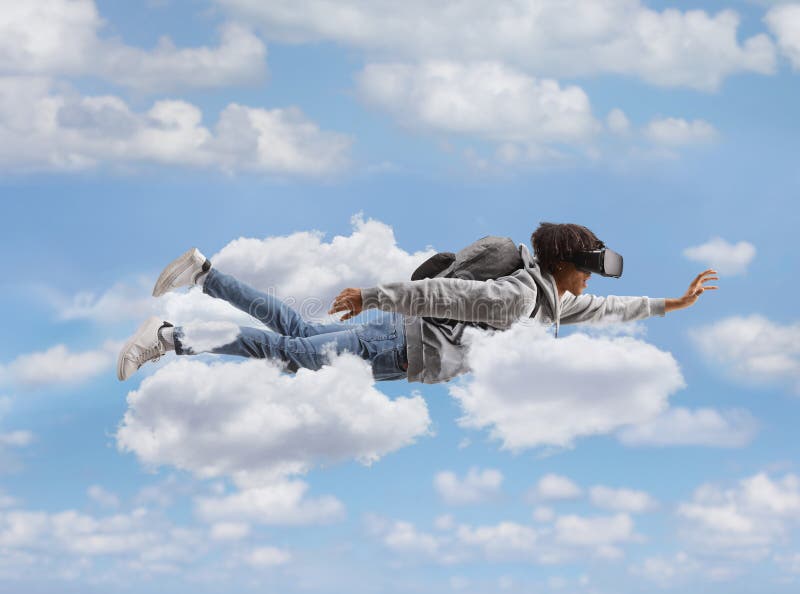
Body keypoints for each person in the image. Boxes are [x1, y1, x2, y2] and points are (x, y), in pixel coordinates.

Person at [117, 223, 718, 383]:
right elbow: (447, 291)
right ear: (561, 266)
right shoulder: (517, 299)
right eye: (584, 274)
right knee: (289, 352)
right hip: (396, 342)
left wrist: (672, 304)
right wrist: (375, 292)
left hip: (396, 335)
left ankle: (203, 273)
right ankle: (169, 337)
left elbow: (611, 310)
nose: (589, 286)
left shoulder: (549, 302)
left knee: (295, 330)